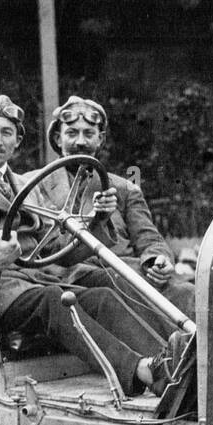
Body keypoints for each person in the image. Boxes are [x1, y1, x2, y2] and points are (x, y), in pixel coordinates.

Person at [0, 94, 187, 398]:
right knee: (55, 300)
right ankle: (144, 372)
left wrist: (97, 220)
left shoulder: (23, 186)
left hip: (41, 281)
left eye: (7, 133)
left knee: (101, 296)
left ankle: (177, 370)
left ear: (17, 142)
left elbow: (61, 252)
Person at [40, 95, 196, 322]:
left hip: (129, 271)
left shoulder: (124, 189)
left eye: (89, 134)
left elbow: (150, 239)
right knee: (125, 286)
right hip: (72, 276)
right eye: (72, 133)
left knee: (187, 293)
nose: (81, 142)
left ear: (100, 140)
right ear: (58, 137)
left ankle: (199, 353)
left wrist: (157, 261)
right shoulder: (33, 186)